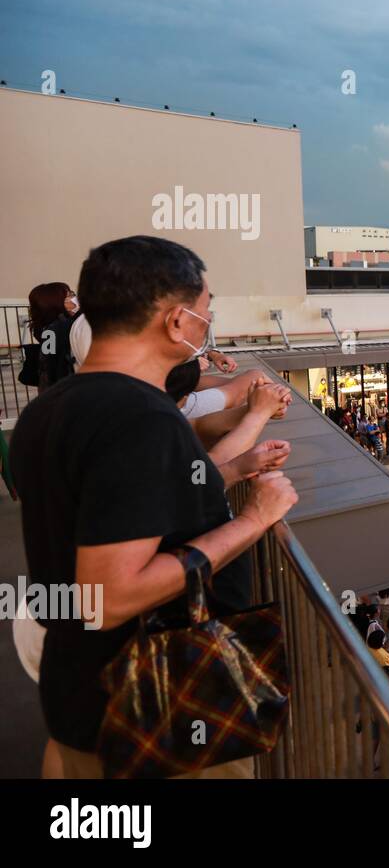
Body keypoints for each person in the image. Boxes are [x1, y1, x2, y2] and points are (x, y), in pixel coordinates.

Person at [10, 236, 299, 779]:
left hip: (77, 697)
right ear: (175, 321)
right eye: (206, 310)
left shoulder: (47, 410)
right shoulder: (140, 419)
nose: (208, 322)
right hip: (152, 713)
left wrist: (234, 471)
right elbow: (111, 594)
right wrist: (253, 519)